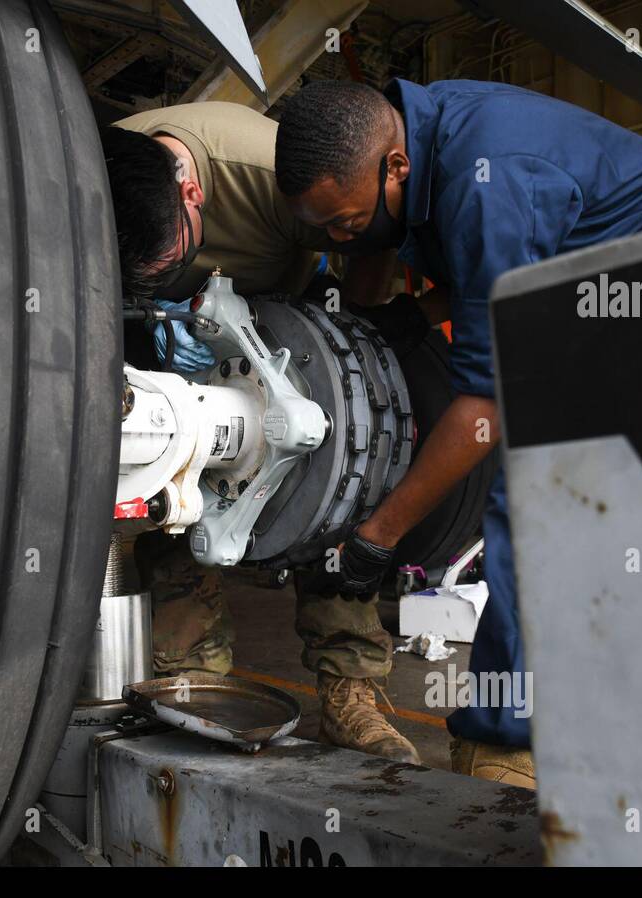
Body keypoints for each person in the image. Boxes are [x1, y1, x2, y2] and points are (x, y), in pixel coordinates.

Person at [274, 78, 642, 787]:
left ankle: (508, 748)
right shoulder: (434, 144)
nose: (345, 238)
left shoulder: (483, 181)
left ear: (394, 167)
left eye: (347, 221)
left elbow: (482, 408)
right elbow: (500, 270)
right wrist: (420, 311)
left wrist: (379, 534)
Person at [103, 101, 436, 762]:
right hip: (157, 355)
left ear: (192, 191)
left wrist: (358, 335)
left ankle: (350, 693)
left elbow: (369, 237)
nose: (169, 273)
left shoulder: (267, 174)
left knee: (336, 489)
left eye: (175, 258)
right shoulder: (89, 180)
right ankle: (193, 688)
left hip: (292, 340)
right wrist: (148, 314)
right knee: (171, 502)